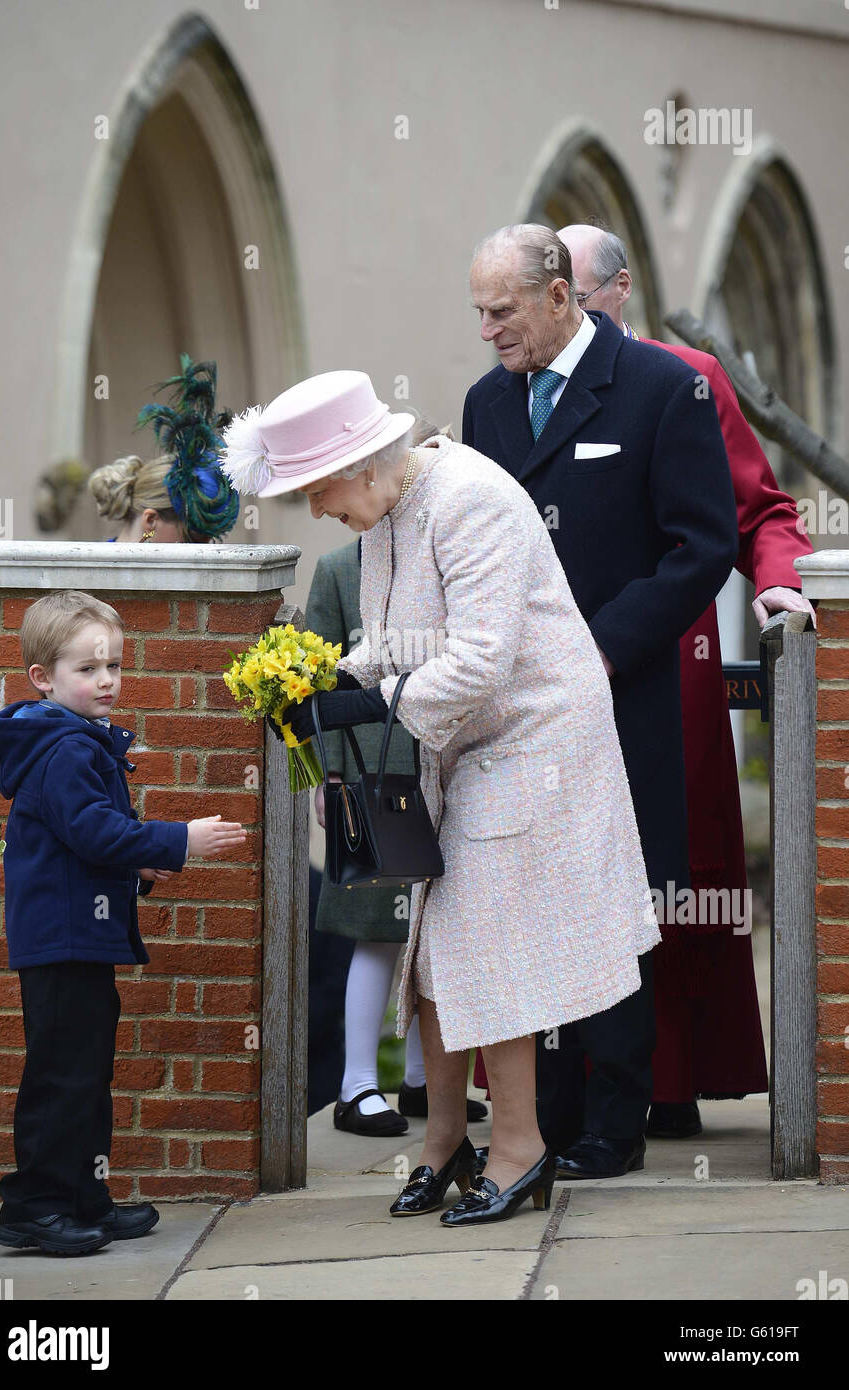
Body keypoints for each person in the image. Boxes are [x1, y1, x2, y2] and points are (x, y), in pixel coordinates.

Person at [221, 368, 658, 1226]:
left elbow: (481, 660)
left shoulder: (472, 500)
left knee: (485, 941)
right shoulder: (390, 507)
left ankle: (520, 1150)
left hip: (534, 739)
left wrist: (359, 703)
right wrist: (315, 685)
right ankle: (446, 1141)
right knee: (427, 941)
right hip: (461, 740)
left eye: (316, 490)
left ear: (363, 464)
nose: (316, 511)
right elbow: (391, 646)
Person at [462, 224, 738, 1180]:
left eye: (502, 312)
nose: (489, 331)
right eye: (479, 313)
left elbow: (702, 546)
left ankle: (611, 1126)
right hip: (512, 714)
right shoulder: (484, 404)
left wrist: (595, 649)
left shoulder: (663, 388)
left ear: (557, 295)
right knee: (526, 900)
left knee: (611, 904)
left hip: (620, 700)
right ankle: (540, 1123)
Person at [556, 223, 814, 1137]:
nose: (560, 321)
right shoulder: (513, 389)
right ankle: (555, 1092)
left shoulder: (685, 379)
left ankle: (668, 1078)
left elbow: (759, 512)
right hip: (548, 683)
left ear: (616, 292)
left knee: (674, 870)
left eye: (575, 299)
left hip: (668, 665)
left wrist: (780, 583)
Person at [0, 590, 245, 1256]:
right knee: (63, 1076)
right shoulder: (63, 749)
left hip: (77, 933)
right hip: (62, 940)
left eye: (114, 666)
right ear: (43, 678)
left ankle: (84, 1198)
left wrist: (138, 871)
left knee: (85, 1072)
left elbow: (77, 846)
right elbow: (94, 831)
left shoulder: (73, 740)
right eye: (87, 669)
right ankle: (35, 1208)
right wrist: (175, 840)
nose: (106, 681)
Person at [306, 512, 488, 1135]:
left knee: (440, 929)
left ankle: (422, 1083)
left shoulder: (452, 559)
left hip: (447, 766)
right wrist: (329, 777)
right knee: (377, 927)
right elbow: (317, 686)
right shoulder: (336, 569)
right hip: (366, 770)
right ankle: (356, 1085)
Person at [88, 355, 240, 544]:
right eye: (191, 541)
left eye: (207, 542)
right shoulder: (87, 573)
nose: (203, 554)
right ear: (150, 521)